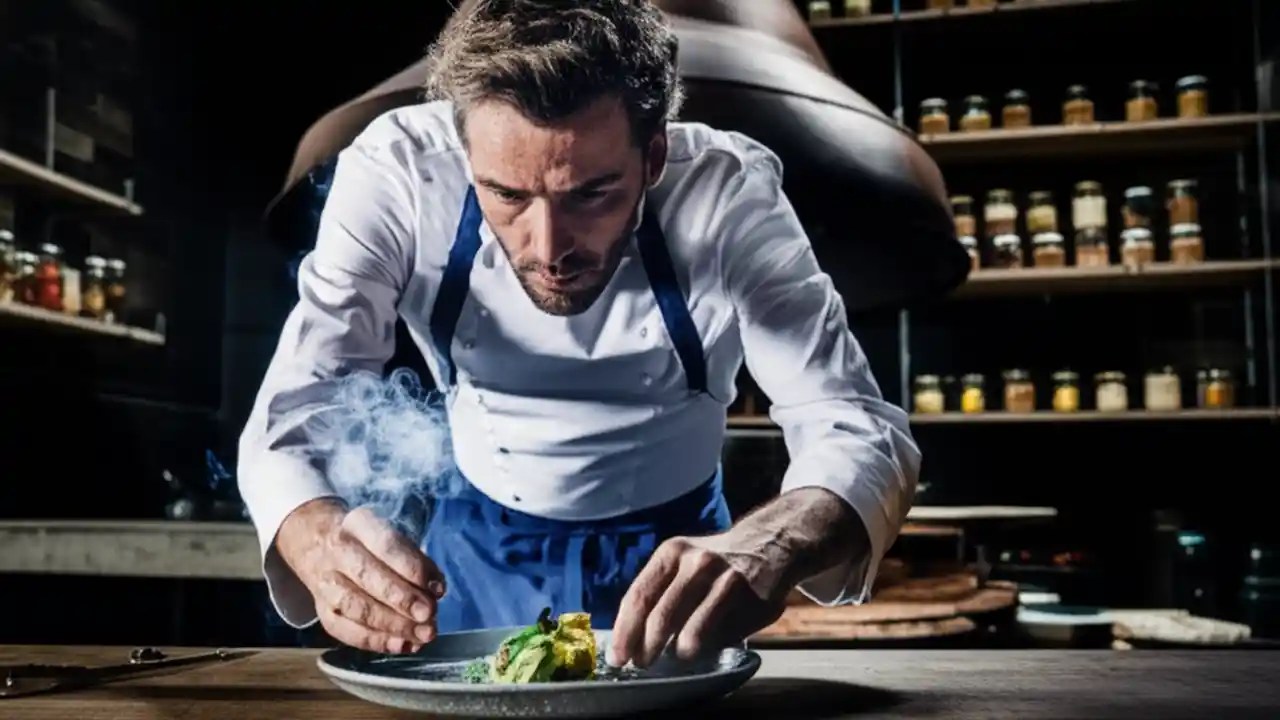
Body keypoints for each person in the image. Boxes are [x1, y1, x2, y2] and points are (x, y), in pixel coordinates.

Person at [238, 0, 919, 669]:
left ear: (654, 156)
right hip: (474, 557)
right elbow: (295, 409)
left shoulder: (725, 193)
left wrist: (772, 544)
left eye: (591, 193)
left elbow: (857, 424)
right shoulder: (399, 174)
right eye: (507, 195)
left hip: (675, 563)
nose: (549, 248)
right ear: (465, 152)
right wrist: (315, 534)